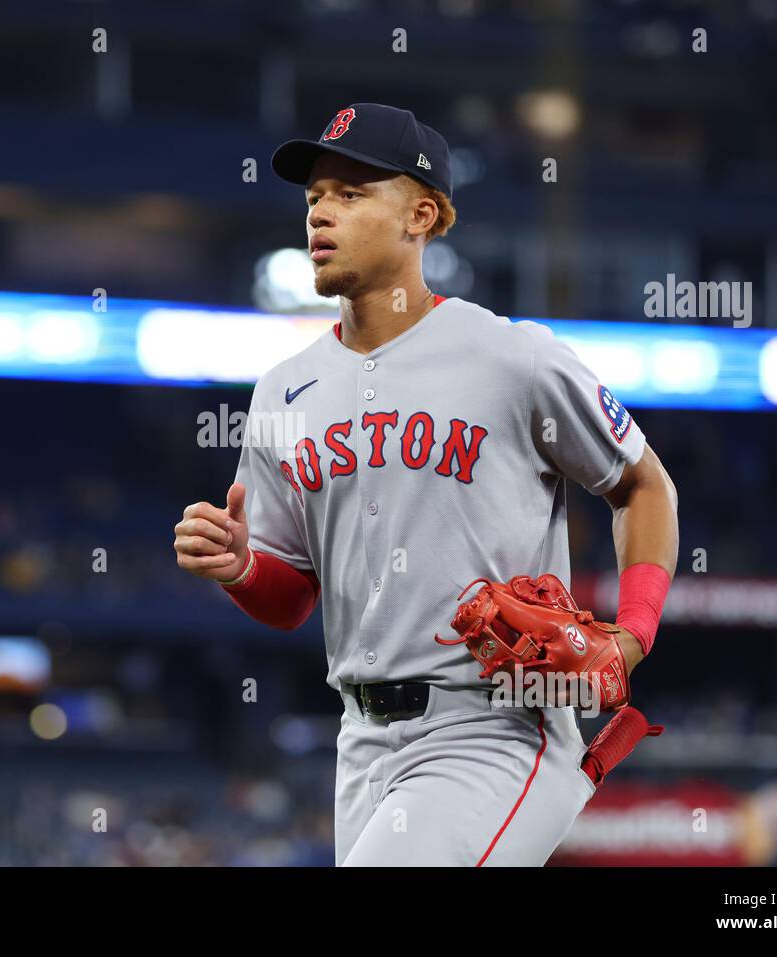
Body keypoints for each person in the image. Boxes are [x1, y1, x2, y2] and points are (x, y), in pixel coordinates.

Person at [174, 104, 679, 866]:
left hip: (497, 728)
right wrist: (243, 567)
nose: (321, 211)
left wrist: (632, 635)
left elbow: (644, 486)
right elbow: (292, 599)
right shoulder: (283, 391)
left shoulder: (514, 358)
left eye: (350, 192)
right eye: (314, 196)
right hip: (361, 745)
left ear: (422, 213)